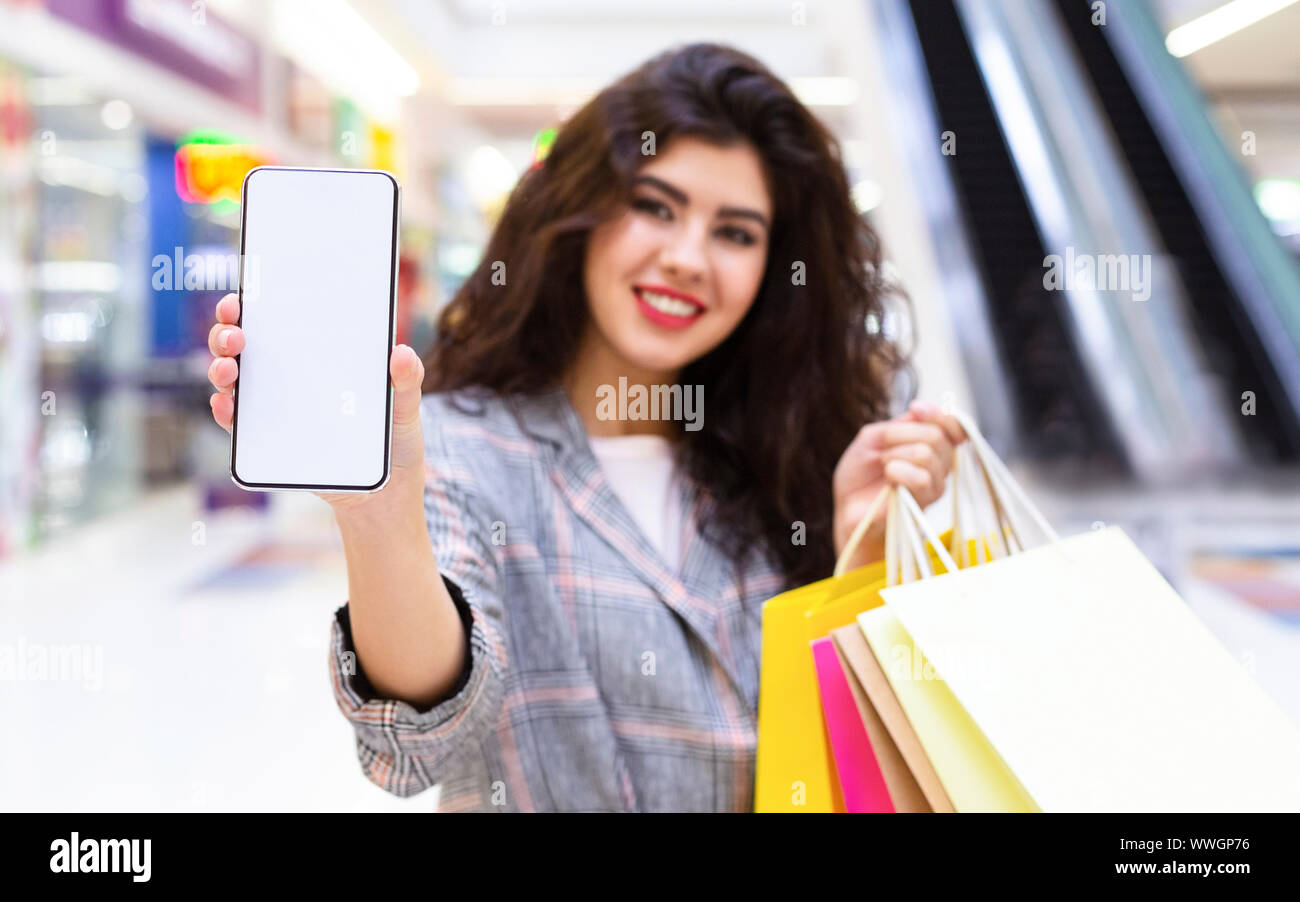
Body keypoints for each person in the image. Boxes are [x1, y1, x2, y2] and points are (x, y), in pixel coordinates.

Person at [206, 43, 965, 812]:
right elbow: (418, 739)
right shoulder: (463, 446)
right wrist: (378, 516)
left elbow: (840, 763)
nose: (687, 258)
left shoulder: (787, 457)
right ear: (582, 212)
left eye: (735, 233)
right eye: (655, 207)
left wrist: (855, 557)